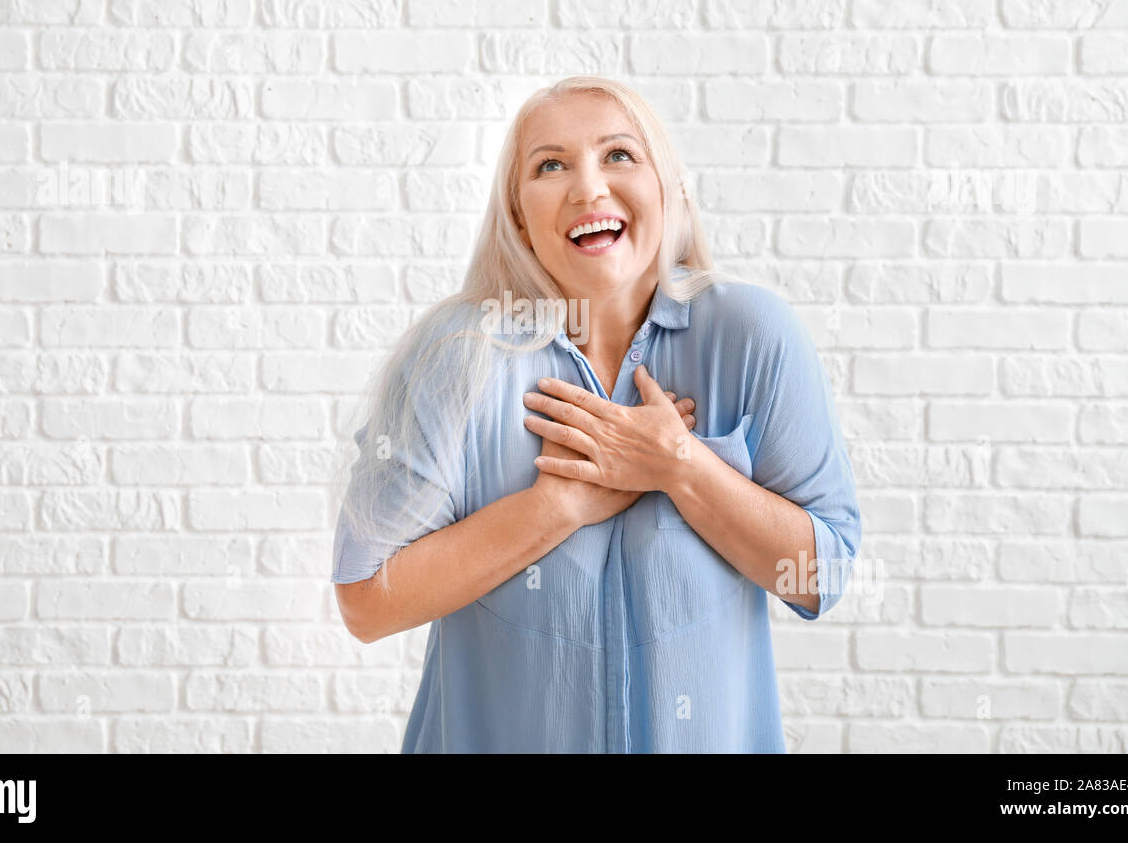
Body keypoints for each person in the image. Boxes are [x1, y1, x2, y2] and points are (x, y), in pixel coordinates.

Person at [330, 75, 862, 752]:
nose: (588, 188)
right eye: (550, 166)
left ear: (666, 187)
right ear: (518, 214)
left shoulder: (752, 336)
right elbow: (366, 602)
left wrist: (680, 467)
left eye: (619, 155)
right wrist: (558, 506)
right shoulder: (455, 357)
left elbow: (821, 577)